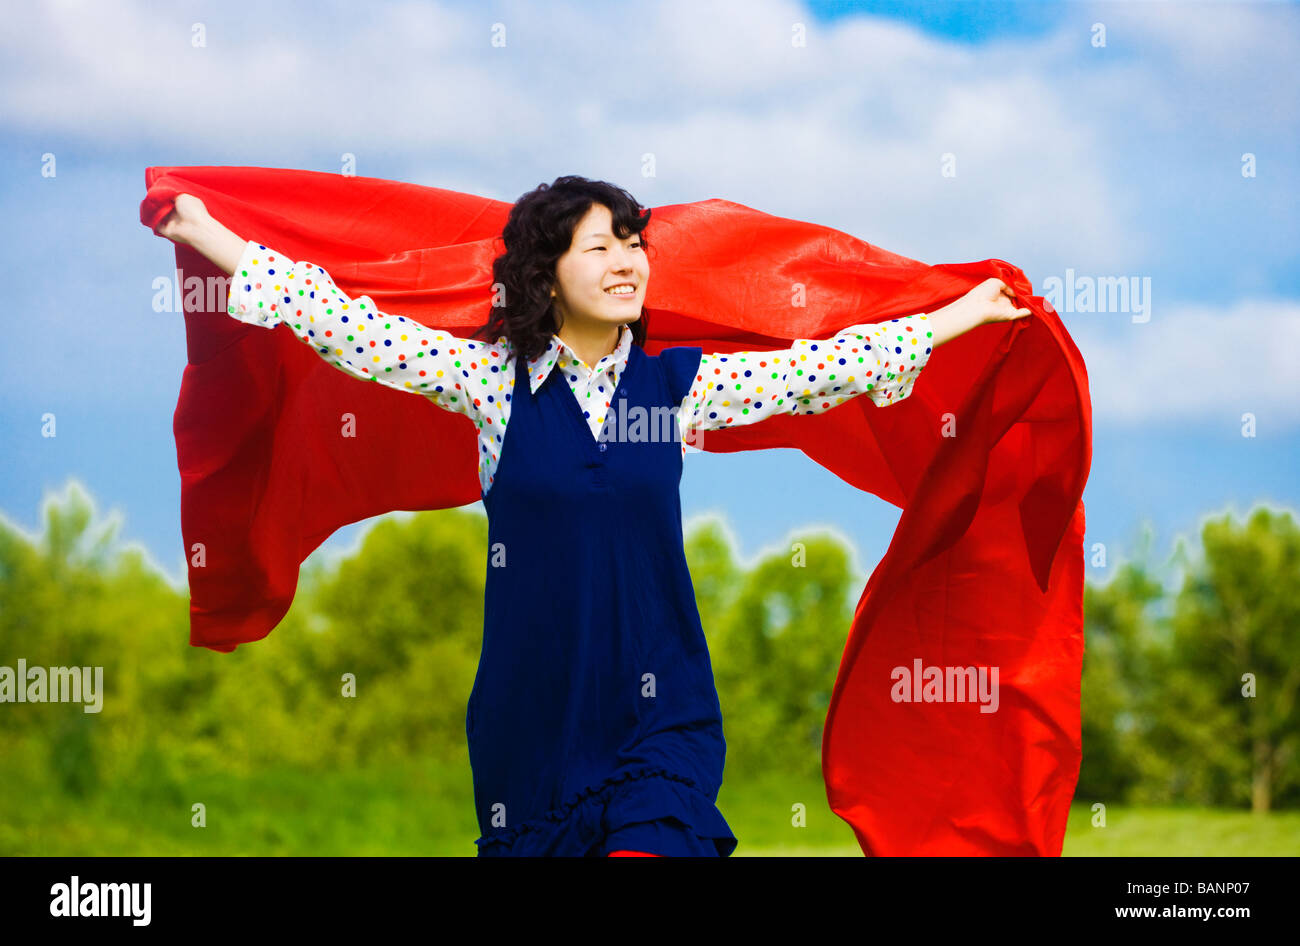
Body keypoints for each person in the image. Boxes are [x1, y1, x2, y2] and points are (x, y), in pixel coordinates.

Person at [157, 175, 1030, 857]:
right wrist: (212, 238)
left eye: (634, 244)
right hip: (533, 720)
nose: (627, 262)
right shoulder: (490, 384)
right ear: (546, 276)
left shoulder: (679, 388)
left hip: (662, 709)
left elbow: (822, 366)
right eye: (598, 247)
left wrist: (960, 314)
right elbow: (345, 323)